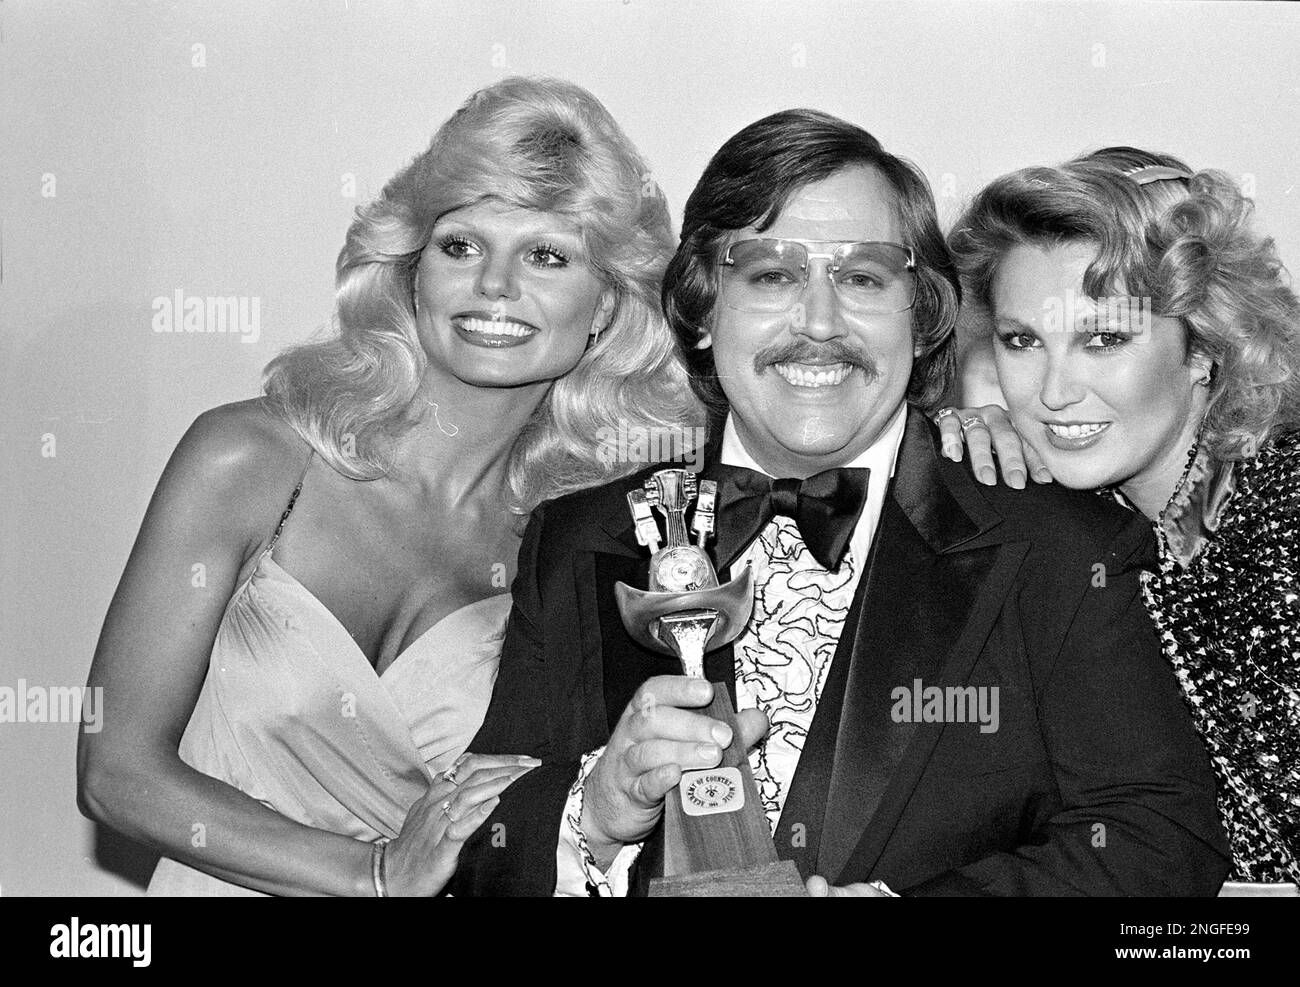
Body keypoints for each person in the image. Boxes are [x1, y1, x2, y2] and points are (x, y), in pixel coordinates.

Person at [450, 114, 1230, 896]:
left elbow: (1160, 841)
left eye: (862, 278)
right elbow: (480, 838)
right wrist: (596, 811)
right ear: (701, 305)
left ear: (923, 316)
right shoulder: (578, 537)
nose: (819, 324)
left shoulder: (1063, 542)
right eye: (771, 274)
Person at [77, 76, 701, 896]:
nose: (494, 287)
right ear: (412, 272)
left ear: (605, 309)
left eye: (547, 255)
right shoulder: (251, 459)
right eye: (462, 245)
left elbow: (569, 827)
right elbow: (115, 770)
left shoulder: (588, 546)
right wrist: (372, 871)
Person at [939, 146, 1300, 886]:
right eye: (1023, 341)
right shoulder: (1095, 521)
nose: (1054, 391)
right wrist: (960, 455)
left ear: (1203, 345)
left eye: (1103, 340)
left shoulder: (1280, 504)